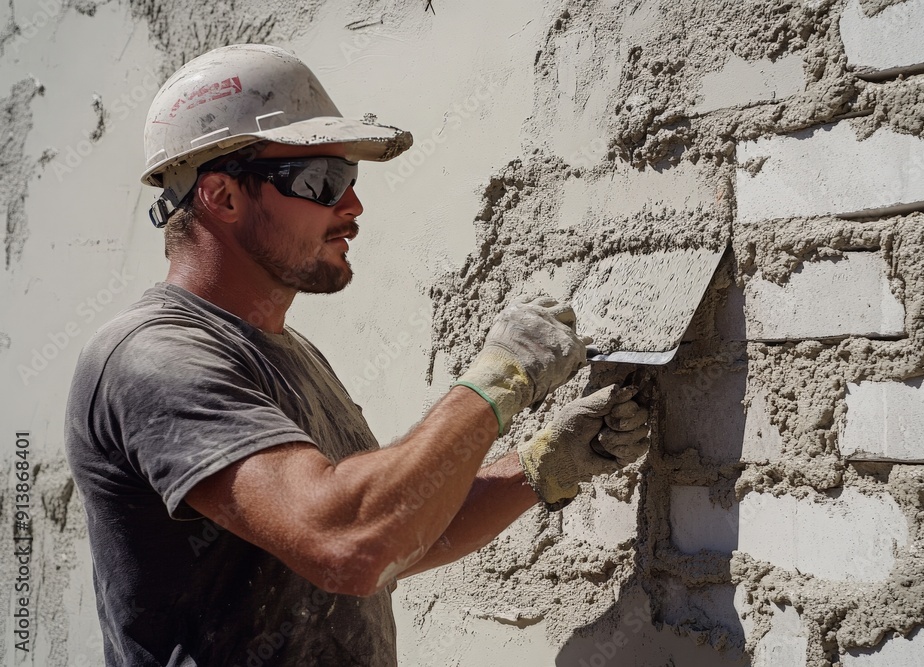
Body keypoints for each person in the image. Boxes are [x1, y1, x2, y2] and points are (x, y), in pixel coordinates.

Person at [64, 44, 651, 666]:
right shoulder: (154, 359)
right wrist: (499, 379)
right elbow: (348, 544)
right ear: (223, 196)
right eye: (322, 182)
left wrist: (540, 466)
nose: (352, 207)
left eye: (349, 180)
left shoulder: (286, 354)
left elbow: (396, 534)